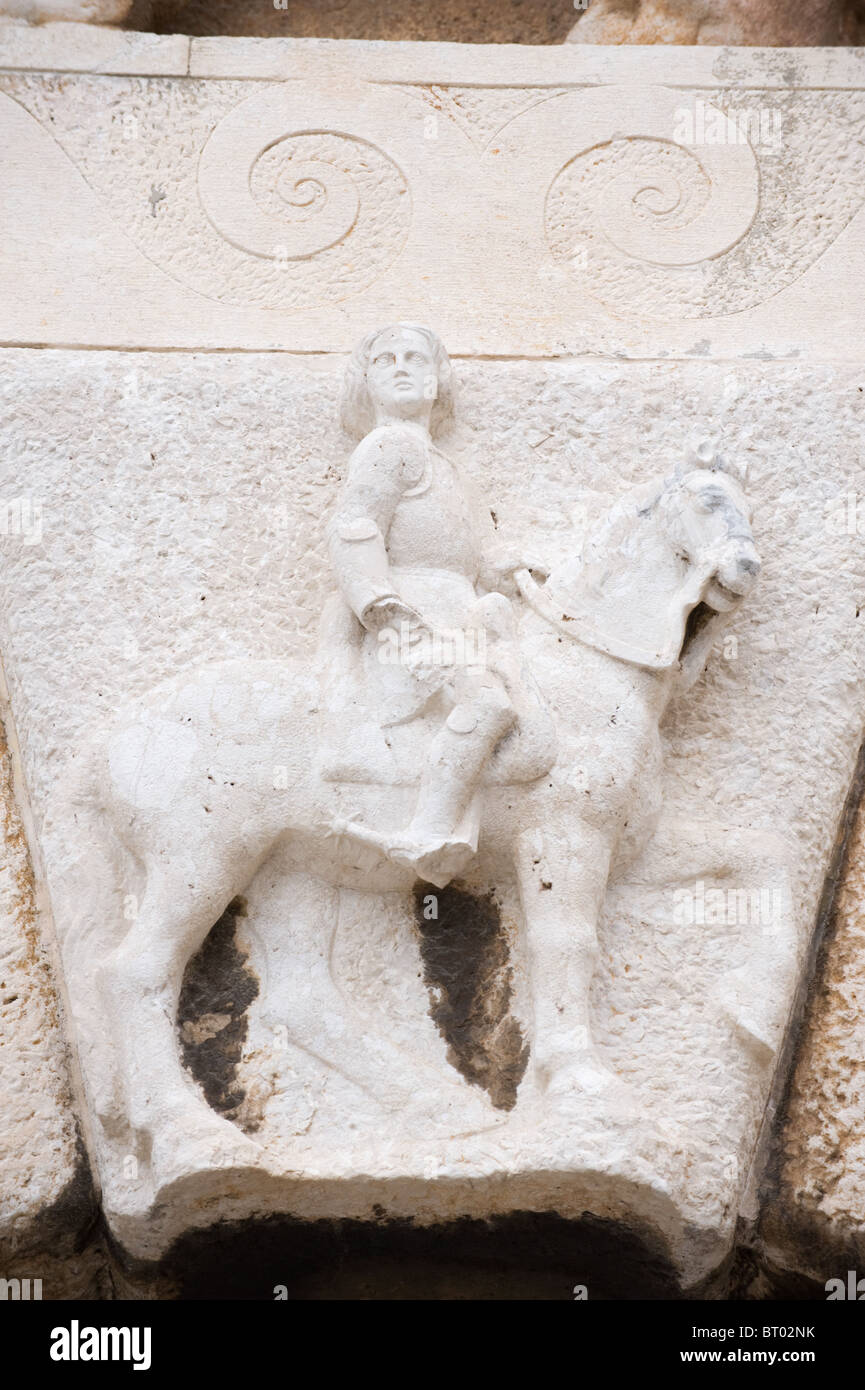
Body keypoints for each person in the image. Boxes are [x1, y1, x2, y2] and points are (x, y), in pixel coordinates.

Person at [326, 322, 545, 885]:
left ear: (436, 381)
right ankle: (428, 829)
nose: (402, 367)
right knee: (489, 703)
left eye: (416, 359)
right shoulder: (389, 446)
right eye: (386, 360)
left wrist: (512, 568)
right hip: (408, 616)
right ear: (367, 383)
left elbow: (465, 557)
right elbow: (355, 528)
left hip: (462, 611)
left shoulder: (447, 468)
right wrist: (382, 606)